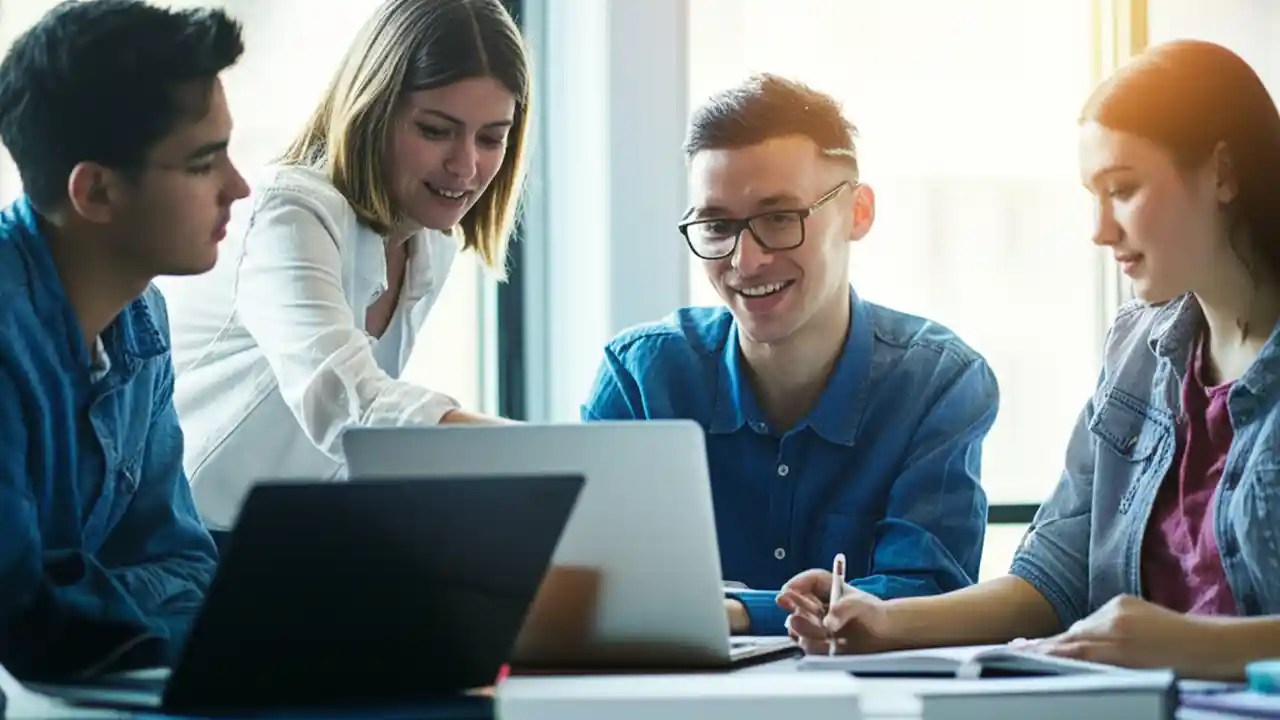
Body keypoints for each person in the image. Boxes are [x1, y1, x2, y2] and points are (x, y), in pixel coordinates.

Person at [781, 40, 1280, 681]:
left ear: (1223, 173)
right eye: (1091, 195)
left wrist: (1188, 645)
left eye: (1122, 190)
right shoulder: (1137, 352)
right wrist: (883, 620)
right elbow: (1054, 578)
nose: (1099, 229)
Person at [582, 74, 999, 636]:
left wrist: (734, 613)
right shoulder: (639, 377)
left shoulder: (938, 382)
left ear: (858, 212)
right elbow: (597, 588)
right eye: (717, 225)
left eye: (779, 219)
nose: (746, 260)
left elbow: (927, 591)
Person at [157, 0, 531, 529]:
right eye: (434, 130)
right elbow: (343, 401)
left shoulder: (429, 245)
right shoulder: (291, 211)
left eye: (491, 137)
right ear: (373, 111)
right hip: (183, 543)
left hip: (280, 537)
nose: (466, 165)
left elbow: (351, 450)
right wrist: (537, 452)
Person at [0, 0, 247, 680]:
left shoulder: (141, 317)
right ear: (98, 192)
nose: (238, 186)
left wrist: (85, 594)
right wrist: (87, 600)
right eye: (204, 162)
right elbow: (26, 620)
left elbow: (183, 563)